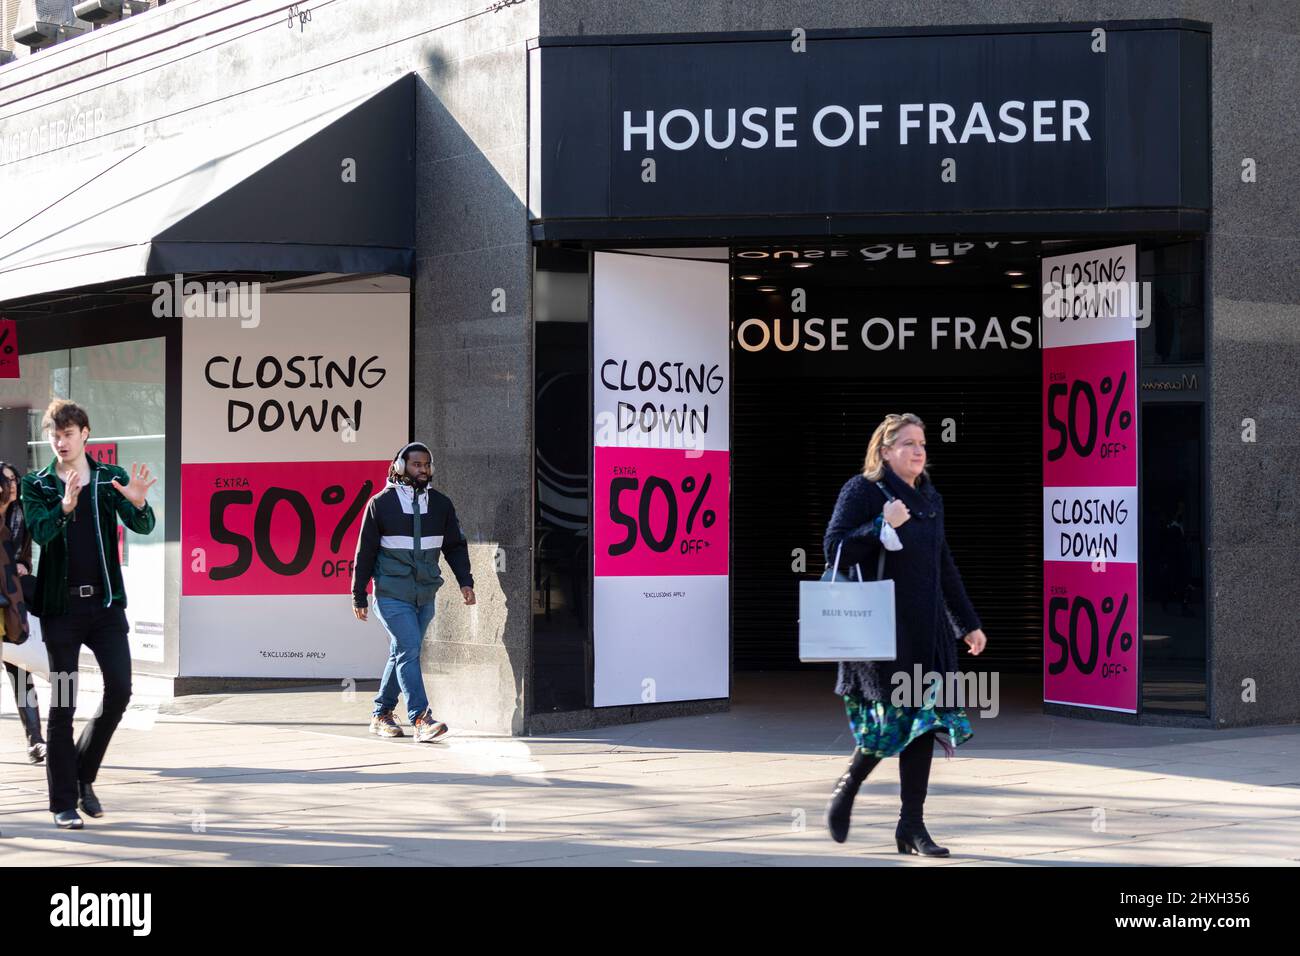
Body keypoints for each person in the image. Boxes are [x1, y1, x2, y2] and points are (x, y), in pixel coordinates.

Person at [821, 412, 988, 856]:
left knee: (922, 725)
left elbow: (943, 566)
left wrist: (966, 622)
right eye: (908, 443)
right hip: (880, 635)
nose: (919, 450)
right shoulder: (863, 491)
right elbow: (833, 546)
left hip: (927, 633)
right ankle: (848, 787)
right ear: (885, 450)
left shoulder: (929, 498)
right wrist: (882, 525)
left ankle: (911, 826)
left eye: (923, 443)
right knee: (888, 727)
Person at [21, 399, 156, 829]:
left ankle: (83, 776)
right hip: (62, 613)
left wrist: (137, 503)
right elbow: (40, 531)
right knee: (63, 705)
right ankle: (62, 801)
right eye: (54, 435)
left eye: (68, 433)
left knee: (120, 690)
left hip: (105, 607)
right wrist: (64, 506)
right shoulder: (37, 484)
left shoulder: (108, 479)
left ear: (85, 434)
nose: (60, 441)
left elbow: (144, 525)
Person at [351, 442, 475, 743]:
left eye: (426, 465)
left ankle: (381, 713)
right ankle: (421, 718)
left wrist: (465, 581)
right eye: (416, 464)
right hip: (391, 593)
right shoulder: (381, 504)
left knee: (402, 652)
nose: (422, 470)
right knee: (408, 649)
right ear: (400, 466)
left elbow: (454, 546)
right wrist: (359, 593)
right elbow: (364, 552)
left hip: (425, 593)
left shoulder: (441, 504)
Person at [0, 459, 42, 763]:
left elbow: (26, 552)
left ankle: (36, 739)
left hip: (12, 600)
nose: (11, 485)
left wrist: (24, 565)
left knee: (20, 670)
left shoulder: (22, 513)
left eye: (14, 479)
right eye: (5, 480)